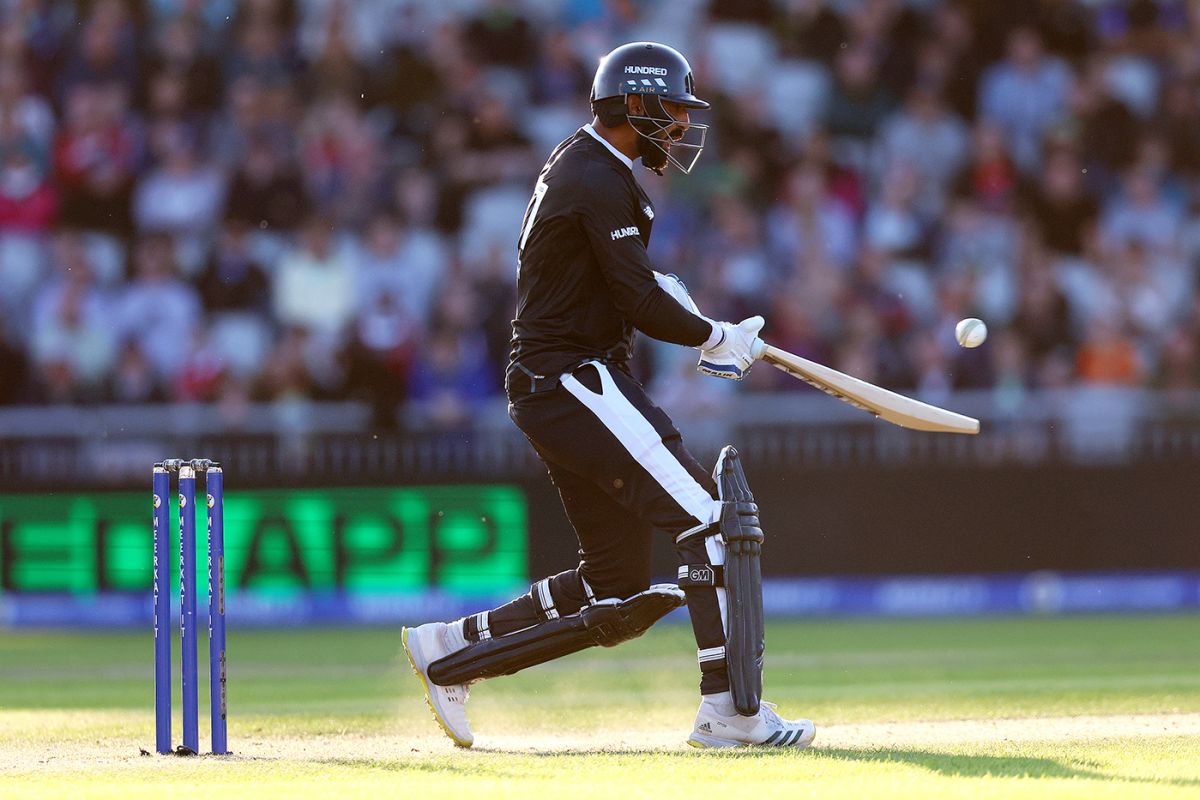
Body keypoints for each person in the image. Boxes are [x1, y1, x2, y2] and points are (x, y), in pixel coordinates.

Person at [402, 42, 815, 750]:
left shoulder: (587, 164)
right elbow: (636, 299)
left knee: (614, 587)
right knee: (713, 522)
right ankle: (730, 711)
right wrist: (714, 335)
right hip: (573, 378)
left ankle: (450, 648)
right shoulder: (596, 174)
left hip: (556, 382)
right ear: (636, 103)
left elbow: (622, 286)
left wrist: (679, 307)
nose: (681, 125)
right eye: (673, 109)